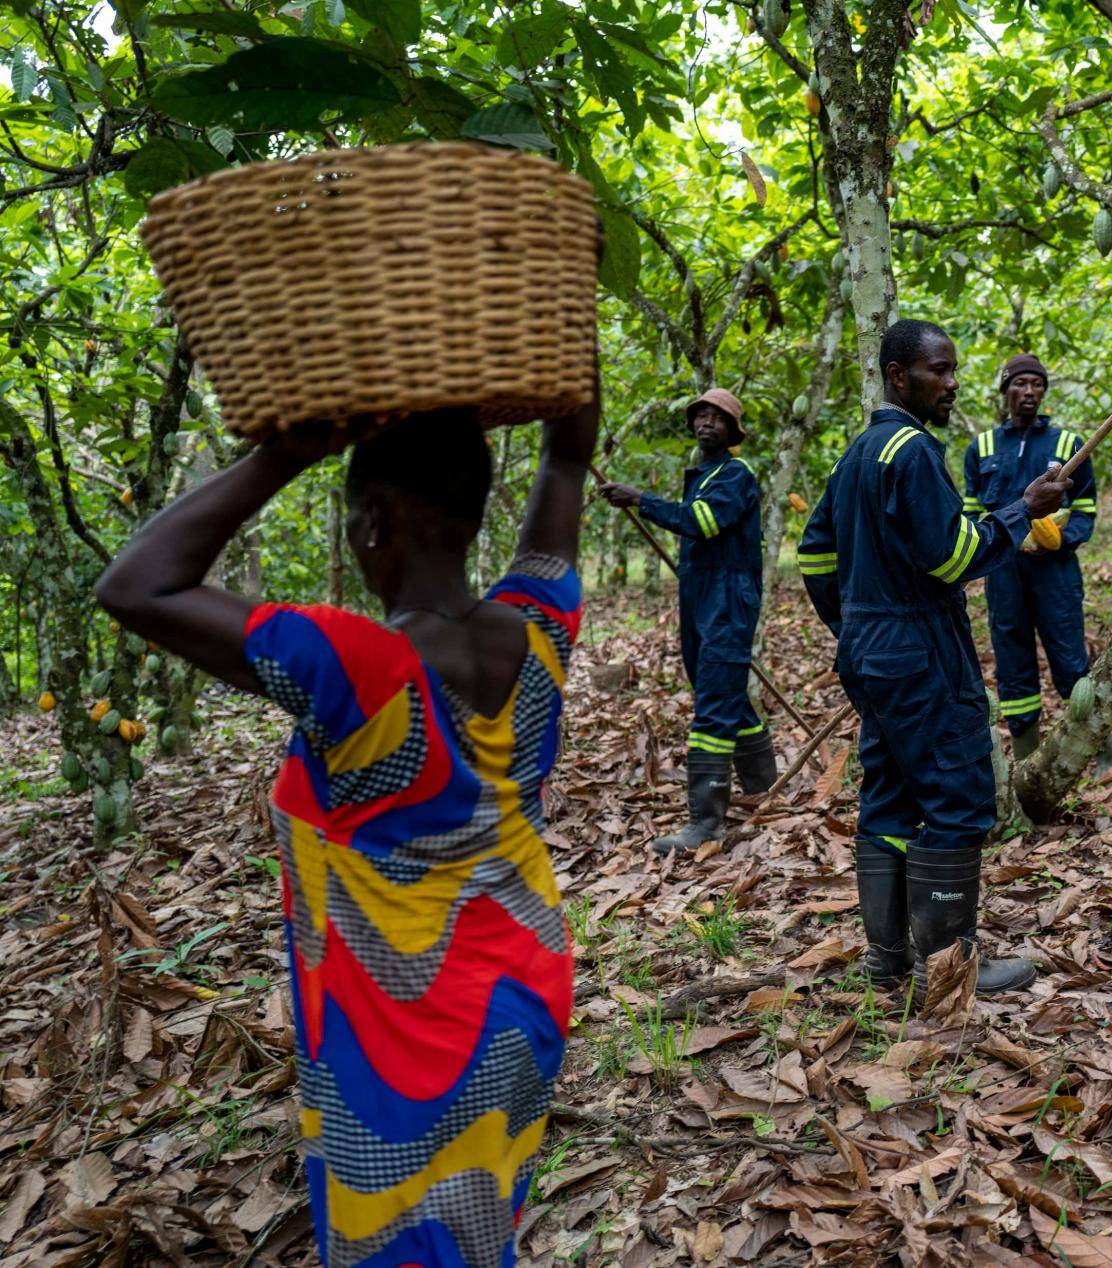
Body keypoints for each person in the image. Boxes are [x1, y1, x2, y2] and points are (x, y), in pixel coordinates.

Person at [94, 388, 597, 1265]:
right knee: (481, 1221)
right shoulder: (538, 628)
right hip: (526, 988)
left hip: (408, 1031)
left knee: (400, 1243)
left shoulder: (358, 665)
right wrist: (568, 353)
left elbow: (134, 586)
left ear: (369, 525)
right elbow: (565, 459)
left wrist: (286, 452)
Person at [797, 319, 1069, 998]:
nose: (951, 384)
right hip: (918, 649)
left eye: (953, 371)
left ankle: (887, 960)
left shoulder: (856, 454)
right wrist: (1023, 509)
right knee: (956, 792)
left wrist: (854, 624)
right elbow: (951, 557)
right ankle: (946, 969)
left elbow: (815, 554)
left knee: (889, 793)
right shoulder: (912, 451)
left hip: (871, 649)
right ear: (898, 376)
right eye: (938, 371)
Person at [599, 389, 776, 855]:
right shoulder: (701, 476)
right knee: (723, 693)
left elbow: (702, 523)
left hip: (727, 600)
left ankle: (706, 823)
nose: (706, 422)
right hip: (700, 597)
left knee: (715, 703)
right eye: (700, 415)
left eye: (717, 417)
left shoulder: (735, 475)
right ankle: (765, 787)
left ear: (732, 430)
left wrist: (641, 499)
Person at [962, 353, 1098, 759]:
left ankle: (1090, 747)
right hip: (1004, 571)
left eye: (1037, 384)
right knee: (1011, 656)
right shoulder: (982, 446)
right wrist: (993, 542)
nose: (1029, 391)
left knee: (1069, 653)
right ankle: (1025, 751)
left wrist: (1062, 539)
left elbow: (1085, 506)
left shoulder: (1068, 444)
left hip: (1055, 570)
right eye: (1020, 383)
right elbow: (971, 511)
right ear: (1005, 390)